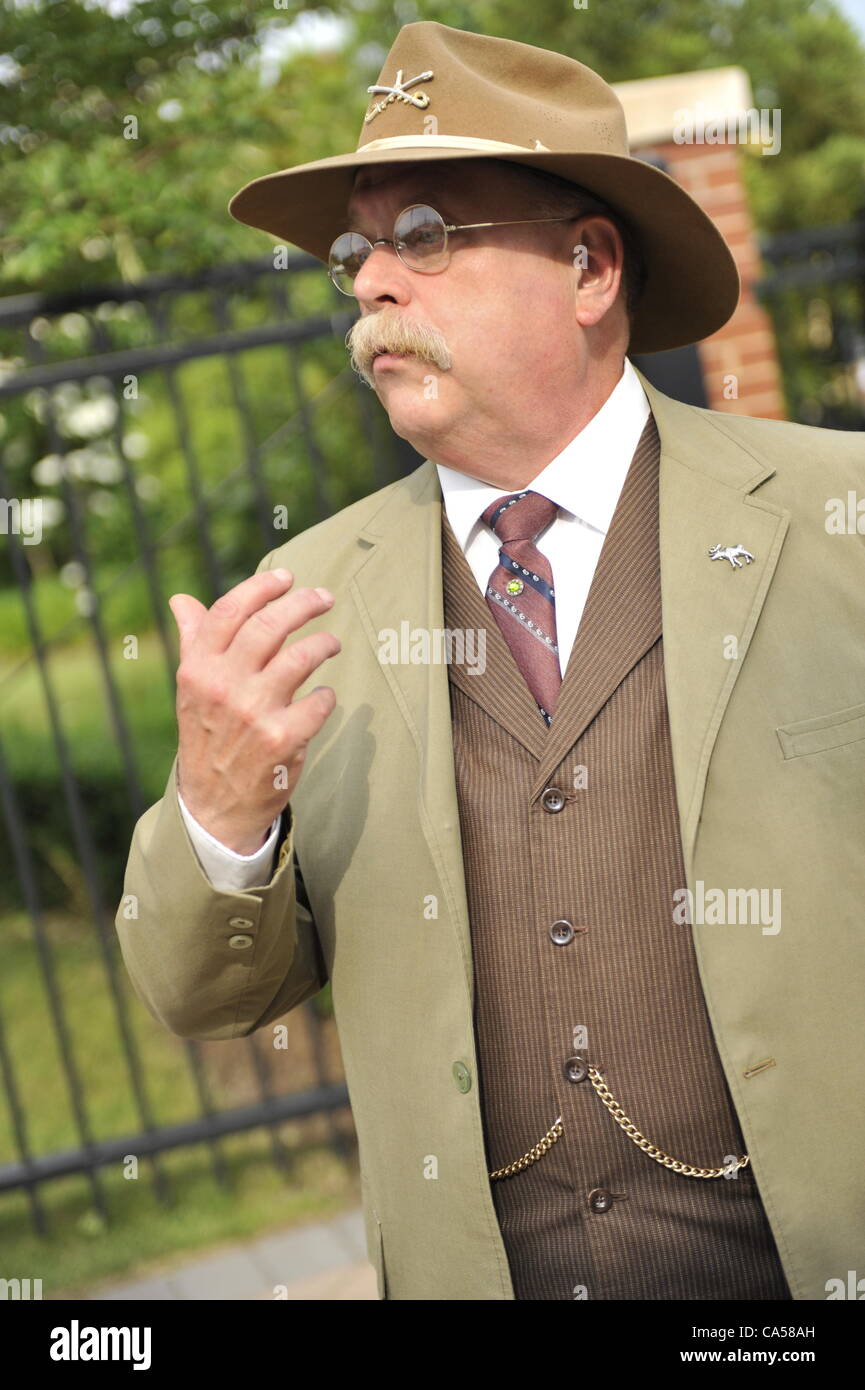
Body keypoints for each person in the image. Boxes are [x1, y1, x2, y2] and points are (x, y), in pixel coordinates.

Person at [115, 21, 865, 1300]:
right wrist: (221, 809)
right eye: (356, 253)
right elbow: (196, 994)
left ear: (588, 266)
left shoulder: (836, 516)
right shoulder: (300, 612)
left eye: (423, 235)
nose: (368, 283)